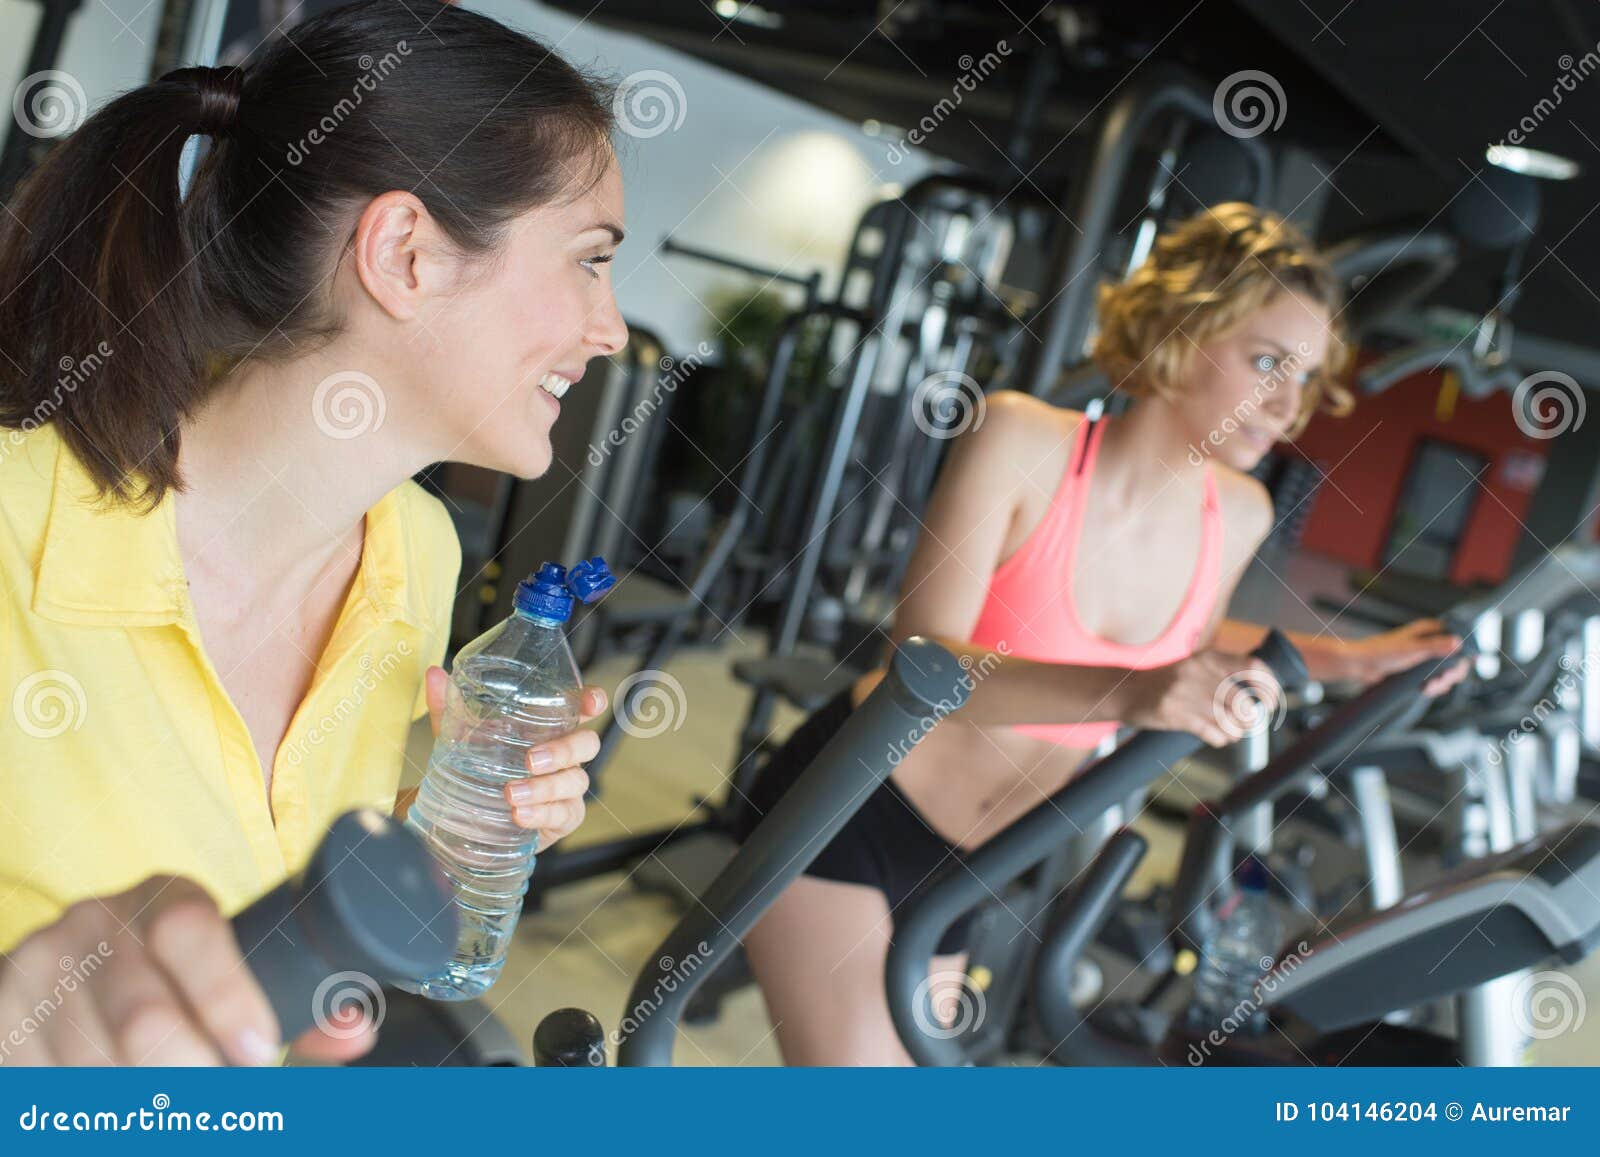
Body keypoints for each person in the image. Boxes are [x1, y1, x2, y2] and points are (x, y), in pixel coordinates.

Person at [0, 1, 626, 1065]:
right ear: (406, 254)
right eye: (589, 260)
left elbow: (254, 854)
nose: (609, 329)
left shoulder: (414, 551)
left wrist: (449, 830)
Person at [739, 202, 1466, 1066]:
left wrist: (1361, 660)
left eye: (1305, 377)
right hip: (853, 807)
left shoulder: (1239, 511)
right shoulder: (1022, 439)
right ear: (1182, 329)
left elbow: (1188, 644)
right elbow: (922, 665)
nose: (1288, 405)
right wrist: (1137, 694)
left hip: (973, 866)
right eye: (1267, 361)